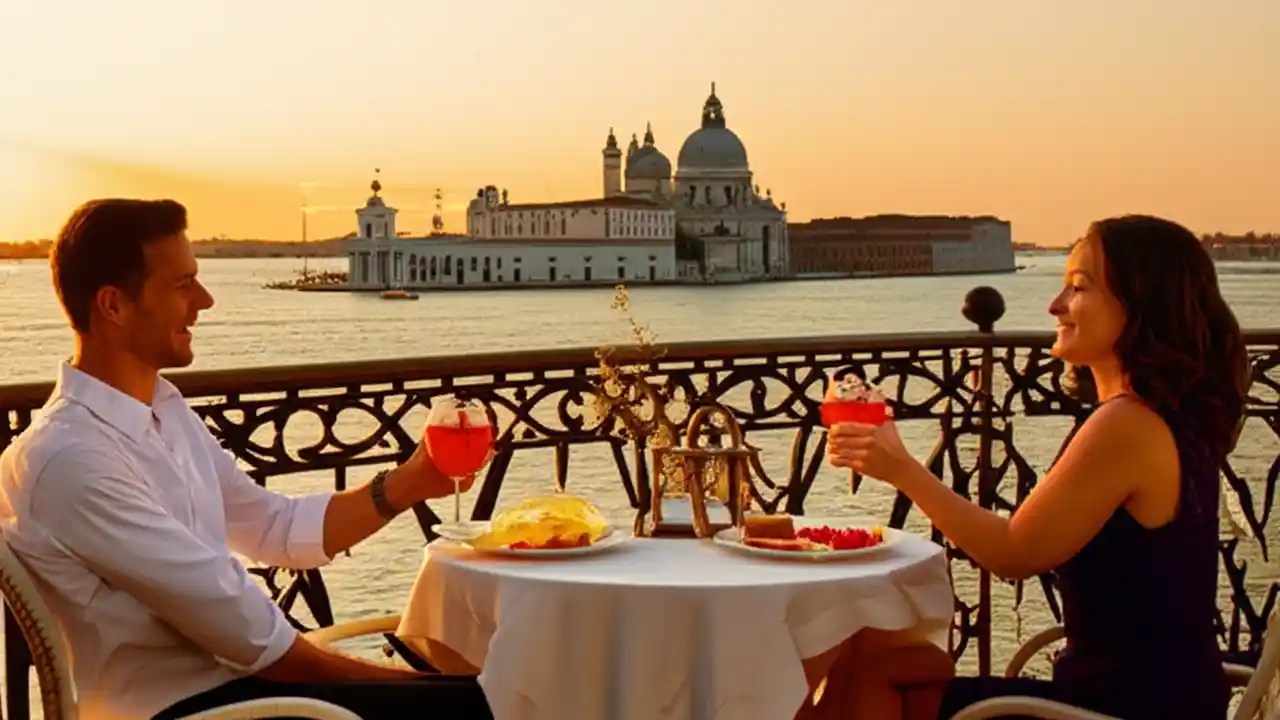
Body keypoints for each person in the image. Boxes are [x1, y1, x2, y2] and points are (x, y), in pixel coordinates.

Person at [0, 199, 493, 720]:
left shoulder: (163, 410)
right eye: (182, 285)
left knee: (501, 689)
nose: (205, 301)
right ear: (113, 306)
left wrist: (411, 482)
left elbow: (274, 529)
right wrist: (429, 691)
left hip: (250, 688)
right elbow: (257, 638)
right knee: (489, 702)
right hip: (187, 709)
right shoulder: (70, 460)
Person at [824, 215, 1247, 719]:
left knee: (863, 681)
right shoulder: (1164, 416)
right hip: (1166, 698)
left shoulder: (1127, 425)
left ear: (1140, 304)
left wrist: (902, 470)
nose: (1056, 306)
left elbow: (1013, 553)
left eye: (1078, 287)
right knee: (868, 660)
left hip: (1114, 709)